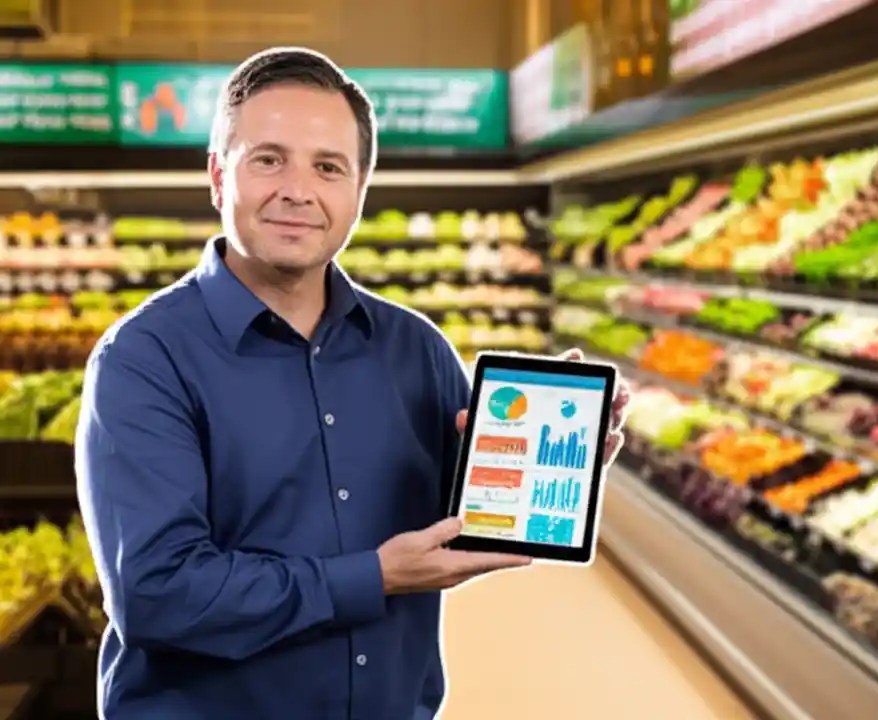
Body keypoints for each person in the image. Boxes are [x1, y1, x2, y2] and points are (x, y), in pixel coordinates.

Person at [74, 47, 629, 720]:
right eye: (268, 159)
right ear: (219, 177)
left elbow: (469, 516)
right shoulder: (145, 360)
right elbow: (158, 594)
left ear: (359, 191)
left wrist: (549, 457)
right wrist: (376, 576)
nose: (298, 189)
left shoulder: (416, 348)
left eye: (328, 167)